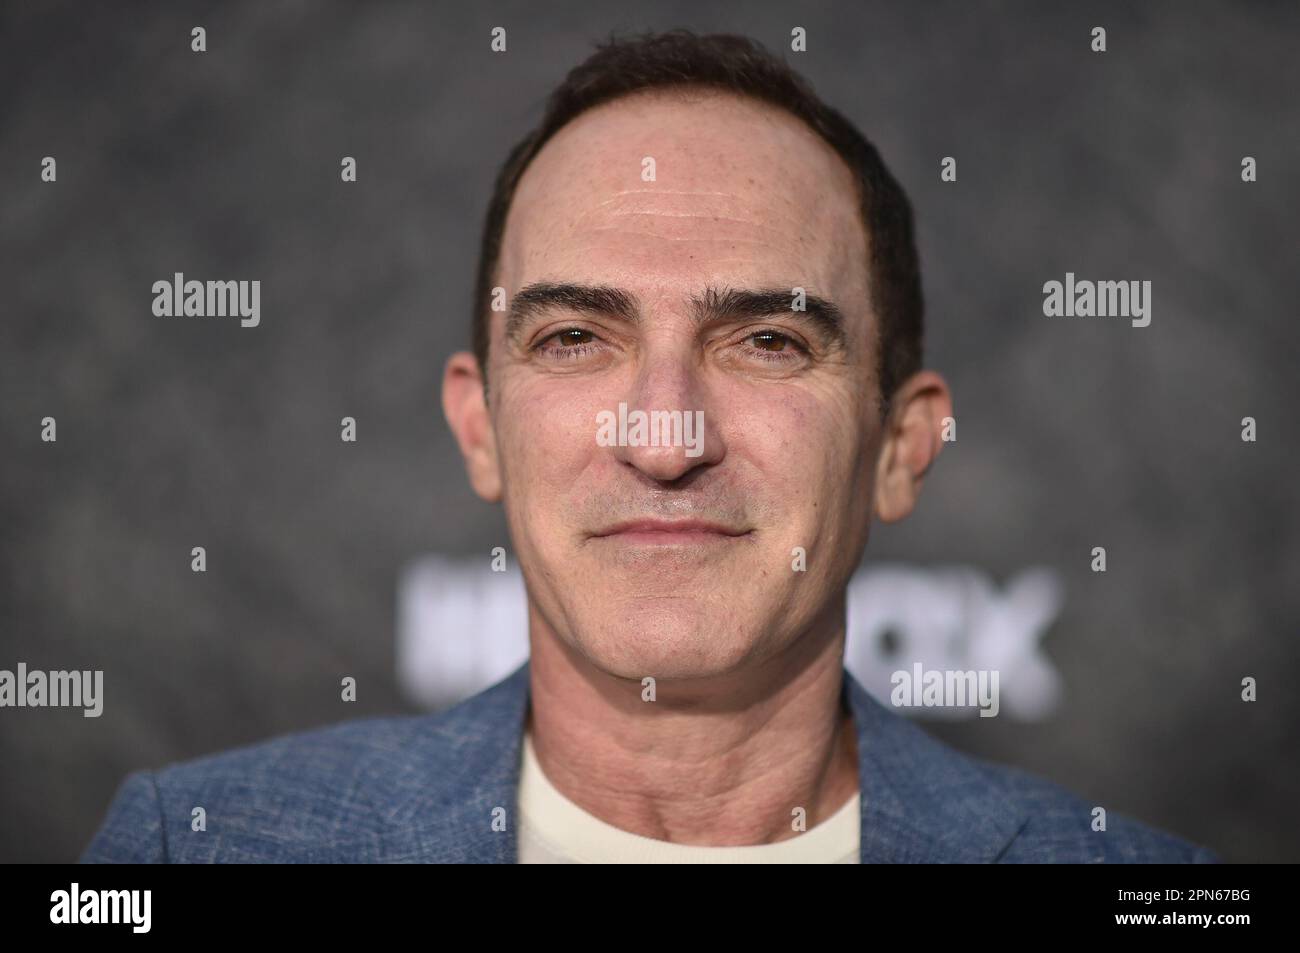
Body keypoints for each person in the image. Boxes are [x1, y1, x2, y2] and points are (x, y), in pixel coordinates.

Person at [82, 30, 1216, 864]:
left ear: (900, 446)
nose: (665, 438)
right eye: (575, 337)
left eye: (767, 341)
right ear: (481, 426)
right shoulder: (194, 847)